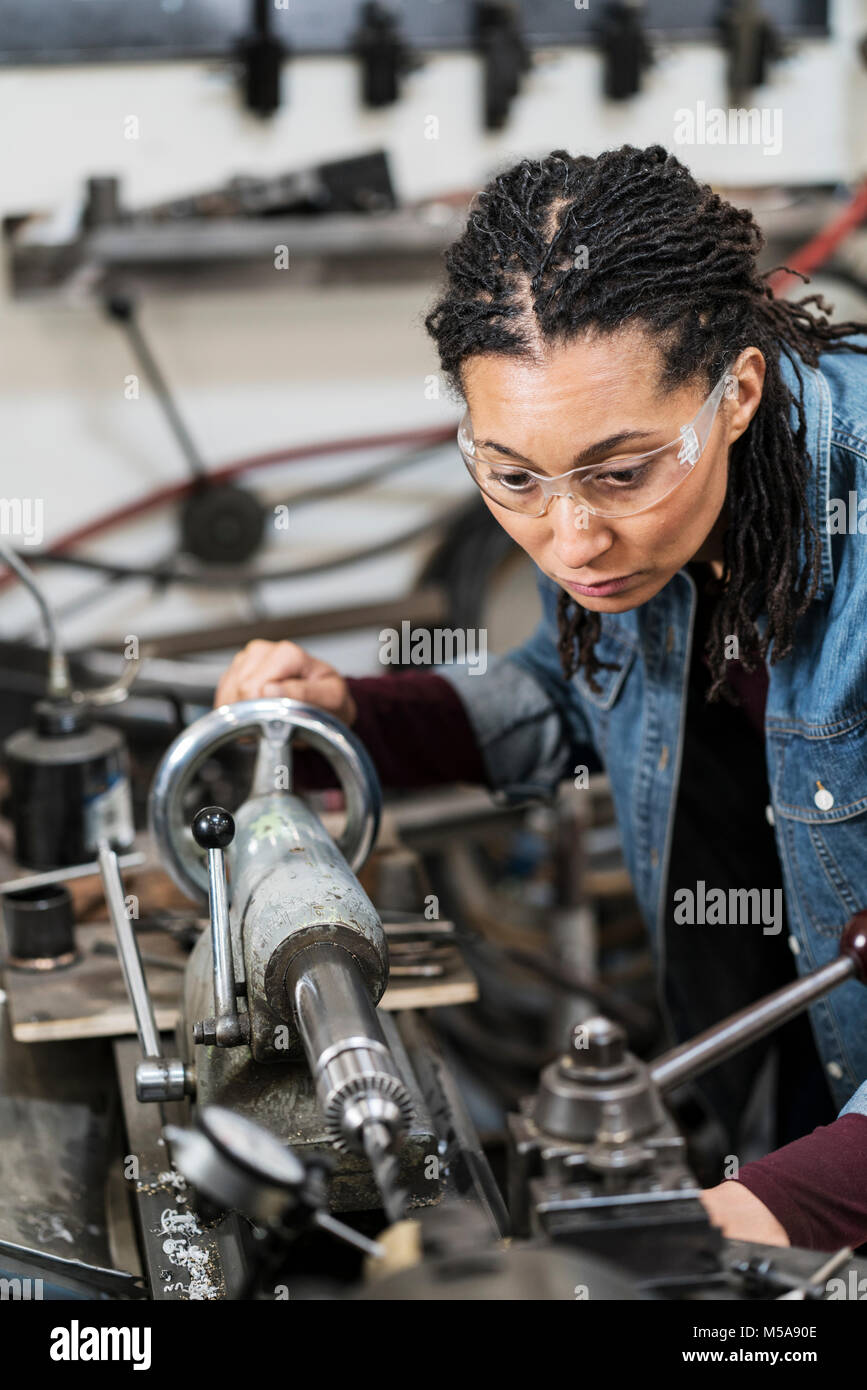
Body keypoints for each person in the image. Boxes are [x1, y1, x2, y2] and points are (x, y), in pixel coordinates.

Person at [215, 145, 867, 1247]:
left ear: (739, 391)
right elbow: (582, 698)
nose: (573, 540)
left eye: (622, 472)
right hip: (784, 1099)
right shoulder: (668, 531)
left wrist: (722, 1226)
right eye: (513, 476)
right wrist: (360, 717)